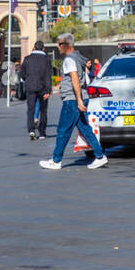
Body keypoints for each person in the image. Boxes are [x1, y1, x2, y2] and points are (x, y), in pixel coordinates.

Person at [39, 32, 108, 170]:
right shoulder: (79, 58)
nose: (57, 47)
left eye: (59, 44)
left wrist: (78, 100)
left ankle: (56, 160)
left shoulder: (69, 60)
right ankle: (100, 156)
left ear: (66, 45)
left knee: (63, 130)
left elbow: (75, 79)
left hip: (72, 100)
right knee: (85, 129)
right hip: (80, 97)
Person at [20, 40, 52, 140]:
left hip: (30, 87)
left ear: (34, 47)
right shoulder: (46, 59)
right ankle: (42, 132)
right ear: (43, 48)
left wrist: (28, 80)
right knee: (43, 110)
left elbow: (22, 74)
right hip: (43, 88)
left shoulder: (27, 59)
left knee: (31, 110)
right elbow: (48, 76)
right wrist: (48, 90)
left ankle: (31, 130)